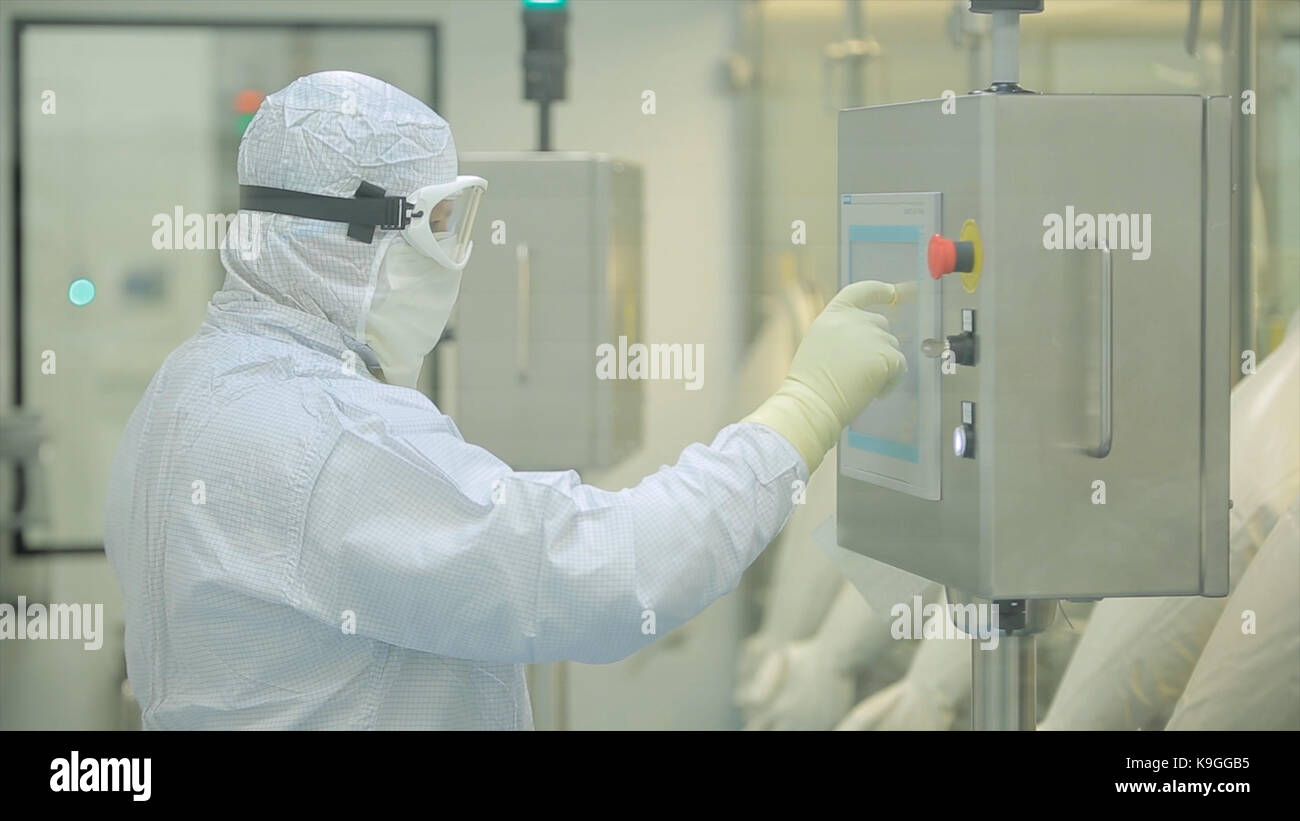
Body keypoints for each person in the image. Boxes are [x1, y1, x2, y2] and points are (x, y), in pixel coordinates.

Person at [102, 71, 906, 730]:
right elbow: (612, 572)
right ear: (356, 230)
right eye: (442, 223)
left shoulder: (188, 386)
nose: (456, 261)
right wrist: (805, 408)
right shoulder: (328, 438)